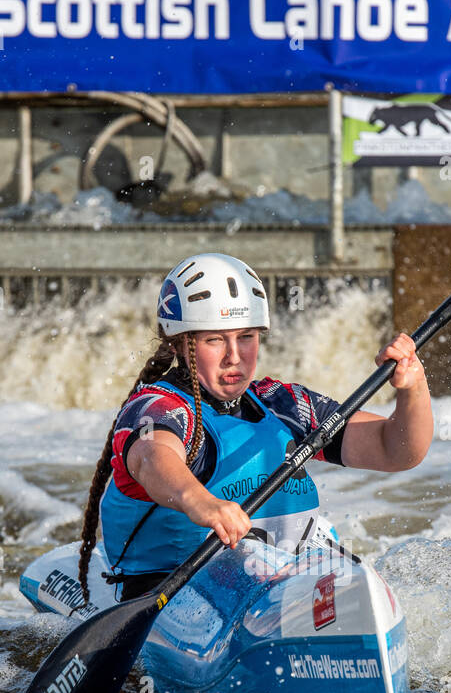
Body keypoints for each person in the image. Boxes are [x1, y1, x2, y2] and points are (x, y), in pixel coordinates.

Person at [78, 252, 433, 603]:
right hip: (179, 596)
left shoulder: (284, 404)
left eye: (246, 336)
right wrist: (200, 502)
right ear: (179, 344)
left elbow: (395, 450)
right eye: (215, 339)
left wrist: (412, 389)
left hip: (283, 587)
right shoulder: (158, 408)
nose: (234, 355)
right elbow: (153, 458)